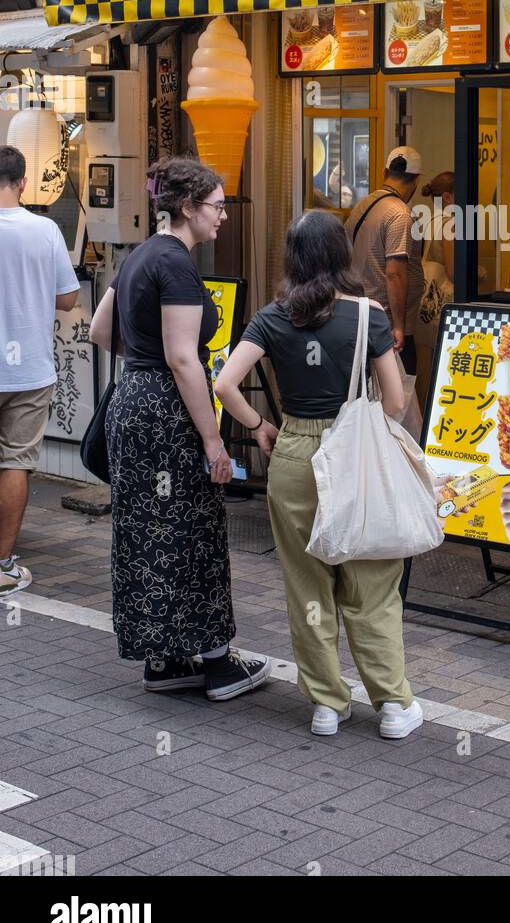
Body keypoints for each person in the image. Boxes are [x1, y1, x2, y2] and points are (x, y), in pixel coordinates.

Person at [215, 210, 423, 739]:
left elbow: (225, 385)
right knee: (372, 584)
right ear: (340, 255)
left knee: (308, 586)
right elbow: (396, 403)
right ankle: (394, 706)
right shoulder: (368, 315)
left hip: (293, 455)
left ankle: (327, 706)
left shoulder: (272, 315)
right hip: (352, 453)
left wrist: (261, 425)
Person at [89, 157, 271, 701]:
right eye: (216, 207)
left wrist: (141, 361)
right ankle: (217, 664)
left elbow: (101, 330)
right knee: (193, 527)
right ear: (189, 208)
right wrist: (214, 443)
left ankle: (164, 663)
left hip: (131, 403)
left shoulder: (141, 255)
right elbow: (184, 359)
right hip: (168, 413)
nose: (222, 217)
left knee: (147, 531)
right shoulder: (178, 266)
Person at [0, 144, 79, 595]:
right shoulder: (44, 229)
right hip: (29, 370)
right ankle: (4, 564)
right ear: (24, 182)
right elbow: (68, 298)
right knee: (14, 462)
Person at [345, 146, 424, 375]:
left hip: (361, 314)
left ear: (384, 172)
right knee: (397, 398)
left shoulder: (363, 205)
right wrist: (399, 325)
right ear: (417, 180)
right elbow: (395, 273)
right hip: (387, 323)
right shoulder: (399, 213)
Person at [413, 170, 455, 388]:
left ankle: (418, 420)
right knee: (439, 370)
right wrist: (478, 272)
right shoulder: (451, 223)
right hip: (440, 302)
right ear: (448, 197)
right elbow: (453, 271)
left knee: (423, 369)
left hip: (423, 299)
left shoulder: (430, 220)